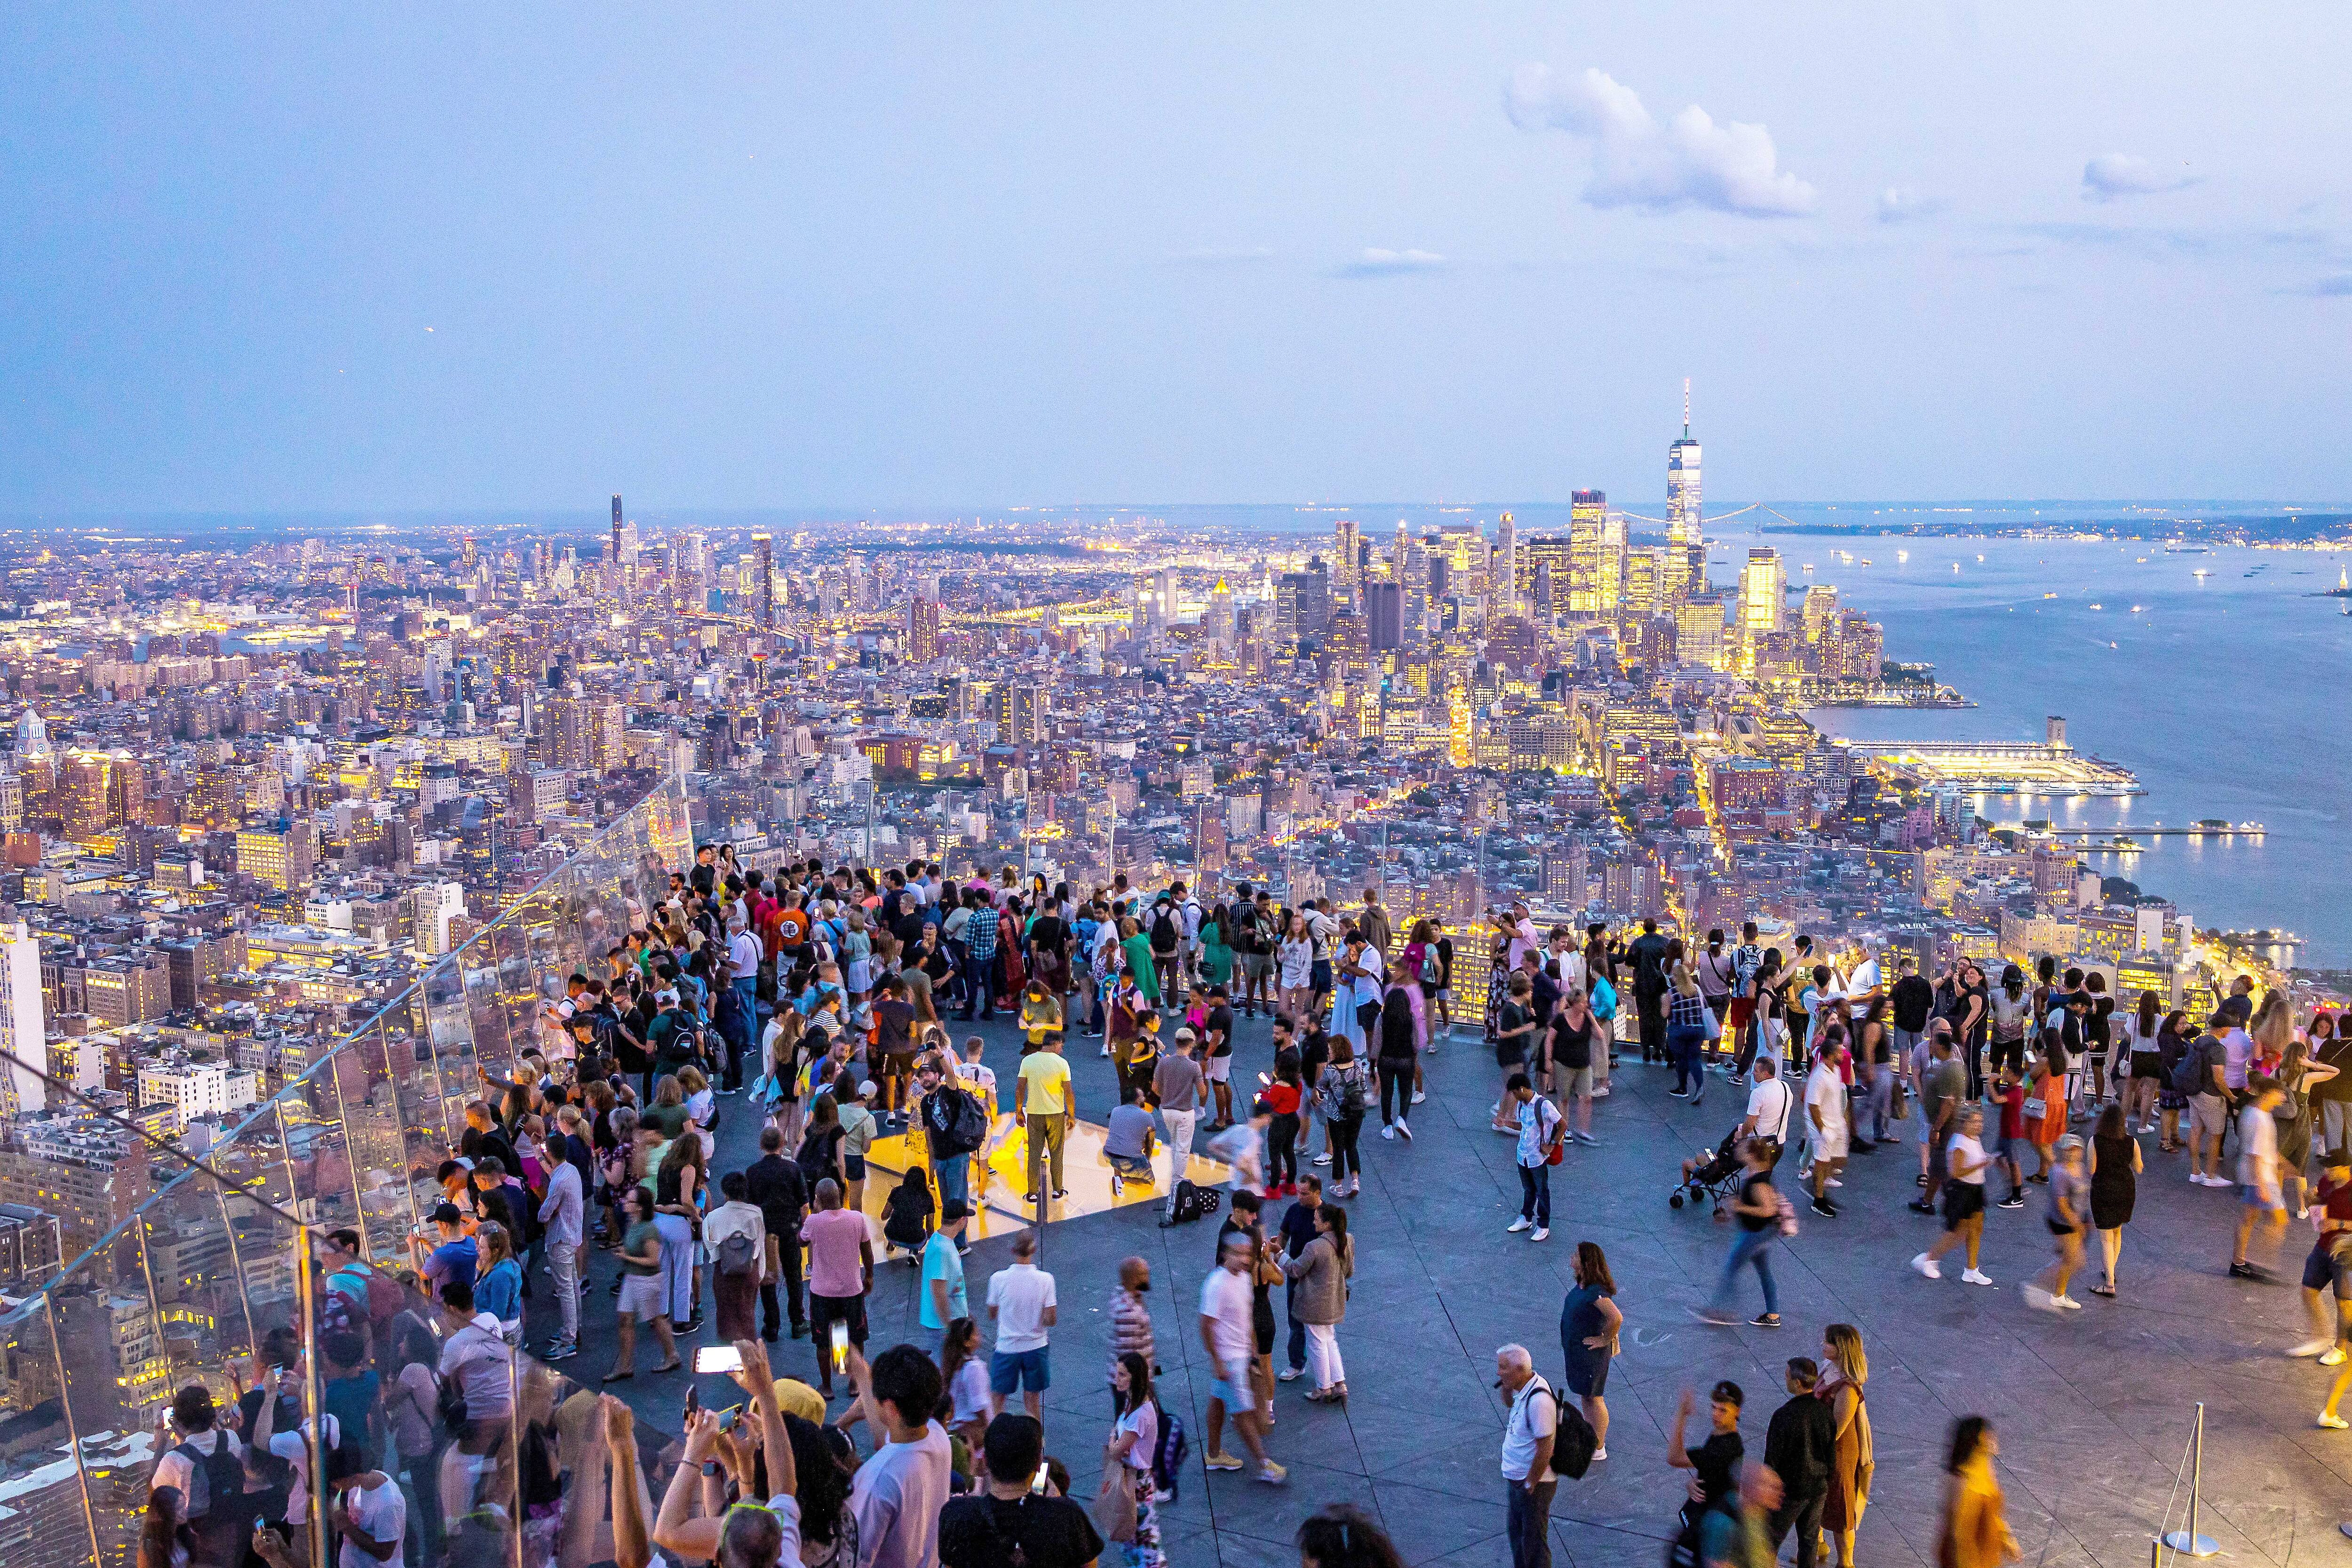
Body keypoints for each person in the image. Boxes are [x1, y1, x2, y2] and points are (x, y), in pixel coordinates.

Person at [938, 1413, 1105, 1568]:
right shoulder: (1066, 1515)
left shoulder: (956, 1516)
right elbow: (1089, 1564)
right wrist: (1056, 1505)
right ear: (1038, 1464)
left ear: (987, 1461)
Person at [845, 1345, 954, 1568]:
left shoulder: (877, 1479)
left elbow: (856, 1559)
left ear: (891, 1407)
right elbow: (887, 1437)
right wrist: (864, 1376)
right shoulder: (939, 1436)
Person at [1200, 1231, 1284, 1484]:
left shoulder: (1246, 1279)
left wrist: (1255, 1354)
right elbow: (1206, 1325)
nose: (1244, 1259)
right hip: (1229, 1361)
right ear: (1226, 1254)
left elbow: (1247, 1320)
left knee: (1218, 1401)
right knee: (1243, 1414)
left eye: (1247, 1254)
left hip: (1241, 1356)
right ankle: (1264, 1464)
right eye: (1237, 1253)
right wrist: (1217, 1362)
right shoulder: (1216, 1284)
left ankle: (1214, 1455)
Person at [800, 1177, 872, 1400]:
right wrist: (869, 1276)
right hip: (852, 1289)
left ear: (818, 1200)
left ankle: (827, 1386)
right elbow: (867, 1252)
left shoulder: (814, 1222)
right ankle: (854, 1383)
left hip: (822, 1292)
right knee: (857, 1335)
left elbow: (802, 1241)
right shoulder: (857, 1219)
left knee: (822, 1340)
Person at [1762, 1358, 1835, 1568]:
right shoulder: (1825, 1411)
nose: (1786, 1380)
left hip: (1791, 1490)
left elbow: (1772, 1460)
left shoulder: (1784, 1415)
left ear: (1797, 1383)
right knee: (1809, 1541)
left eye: (1787, 1376)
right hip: (1818, 1487)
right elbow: (1831, 1455)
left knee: (1770, 1540)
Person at [1914, 1105, 1995, 1285]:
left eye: (1980, 1121)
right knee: (1957, 1233)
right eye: (1975, 1121)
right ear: (1964, 1123)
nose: (1979, 1125)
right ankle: (1928, 1259)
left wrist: (1987, 1159)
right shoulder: (1959, 1143)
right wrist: (1982, 1164)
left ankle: (1972, 1270)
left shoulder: (1974, 1138)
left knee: (1976, 1229)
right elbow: (1956, 1172)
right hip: (1961, 1191)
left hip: (1976, 1189)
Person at [1282, 1203, 1354, 1402]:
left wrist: (1279, 1256)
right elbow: (1349, 1272)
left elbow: (1295, 1270)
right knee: (1330, 1340)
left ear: (1327, 1223)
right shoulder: (1347, 1240)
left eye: (1317, 1219)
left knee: (1317, 1344)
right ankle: (1339, 1384)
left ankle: (1324, 1387)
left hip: (1314, 1305)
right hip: (1335, 1301)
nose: (1314, 1221)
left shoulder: (1314, 1247)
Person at [605, 1185, 678, 1381]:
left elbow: (653, 1260)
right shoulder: (633, 1224)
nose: (625, 1203)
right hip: (632, 1278)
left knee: (656, 1319)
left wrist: (627, 1257)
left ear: (639, 1207)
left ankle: (672, 1355)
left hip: (647, 1281)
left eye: (629, 1201)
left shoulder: (649, 1230)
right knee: (625, 1318)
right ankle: (625, 1366)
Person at [1558, 1241, 1622, 1462]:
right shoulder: (1583, 1285)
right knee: (1587, 1397)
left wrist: (1604, 1339)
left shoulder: (1595, 1292)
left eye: (1576, 1254)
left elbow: (1616, 1317)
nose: (1572, 1256)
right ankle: (1592, 1437)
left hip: (1590, 1356)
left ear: (1586, 1262)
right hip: (1577, 1352)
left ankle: (1598, 1446)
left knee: (1594, 1398)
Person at [1495, 1344, 1557, 1568]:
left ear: (1520, 1370)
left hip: (1533, 1484)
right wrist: (1506, 1391)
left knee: (1533, 1544)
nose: (1498, 1373)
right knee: (1519, 1536)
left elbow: (1546, 1447)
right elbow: (1513, 1407)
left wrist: (1531, 1481)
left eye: (1504, 1368)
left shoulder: (1540, 1401)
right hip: (1520, 1480)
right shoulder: (1524, 1388)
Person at [745, 1123, 810, 1341]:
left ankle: (772, 1325)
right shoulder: (793, 1170)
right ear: (782, 1145)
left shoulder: (753, 1172)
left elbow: (750, 1205)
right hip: (790, 1228)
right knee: (794, 1276)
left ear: (761, 1145)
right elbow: (803, 1204)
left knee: (768, 1276)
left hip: (765, 1230)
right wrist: (804, 1227)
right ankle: (798, 1321)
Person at [985, 1230, 1057, 1423]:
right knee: (1033, 1402)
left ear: (1012, 1250)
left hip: (1007, 1347)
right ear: (1033, 1250)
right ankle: (1036, 1445)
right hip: (1037, 1347)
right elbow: (1051, 1319)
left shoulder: (998, 1279)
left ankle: (996, 1442)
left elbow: (992, 1314)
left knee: (998, 1399)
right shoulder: (1046, 1280)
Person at [1107, 1352, 1165, 1568]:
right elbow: (1119, 1433)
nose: (1117, 1379)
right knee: (1134, 1536)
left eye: (1122, 1375)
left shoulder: (1140, 1413)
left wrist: (1113, 1440)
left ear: (1134, 1377)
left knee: (1144, 1535)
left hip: (1137, 1480)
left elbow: (1115, 1450)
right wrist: (1117, 1439)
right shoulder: (1133, 1400)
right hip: (1134, 1476)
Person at [2231, 1074, 2290, 1280]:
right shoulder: (2259, 1119)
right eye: (2278, 1094)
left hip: (2255, 1176)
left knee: (2248, 1219)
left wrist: (2282, 1162)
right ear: (2268, 1094)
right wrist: (2262, 1186)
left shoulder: (2253, 1112)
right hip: (2261, 1178)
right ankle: (2261, 1260)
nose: (2282, 1099)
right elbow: (2255, 1154)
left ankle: (2239, 1261)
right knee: (2279, 1220)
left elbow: (2261, 1148)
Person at [1937, 1417, 2018, 1568]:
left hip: (1984, 1556)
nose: (1994, 1438)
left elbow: (1994, 1513)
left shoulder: (1985, 1468)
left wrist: (2006, 1540)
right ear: (1977, 1442)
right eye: (1988, 1435)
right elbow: (1959, 1535)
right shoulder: (1961, 1481)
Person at [1667, 1382, 1746, 1525]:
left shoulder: (1725, 1448)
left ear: (1737, 1412)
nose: (1716, 1414)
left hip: (1709, 1523)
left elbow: (1674, 1458)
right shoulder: (1723, 1435)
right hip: (1710, 1514)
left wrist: (1682, 1413)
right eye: (1714, 1407)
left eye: (1723, 1410)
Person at [705, 1169, 770, 1343]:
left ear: (725, 1192)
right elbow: (760, 1245)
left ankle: (728, 1358)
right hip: (749, 1270)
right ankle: (749, 1359)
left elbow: (710, 1247)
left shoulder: (713, 1217)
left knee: (725, 1316)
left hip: (724, 1271)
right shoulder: (756, 1214)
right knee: (747, 1314)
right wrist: (760, 1274)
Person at [1505, 1073, 1564, 1242]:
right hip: (1522, 1155)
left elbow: (1562, 1125)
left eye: (1515, 1093)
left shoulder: (1544, 1105)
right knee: (1528, 1189)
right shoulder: (1521, 1106)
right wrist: (1506, 1123)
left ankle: (1543, 1225)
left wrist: (1551, 1145)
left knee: (1542, 1191)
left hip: (1537, 1157)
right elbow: (1522, 1126)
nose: (1515, 1097)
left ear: (1522, 1089)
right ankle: (1526, 1218)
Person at [1016, 1032, 1073, 1209]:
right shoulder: (1062, 1064)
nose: (1062, 1049)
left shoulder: (1028, 1061)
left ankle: (1032, 1193)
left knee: (1034, 1154)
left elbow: (1020, 1089)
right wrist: (1071, 1115)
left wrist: (1019, 1111)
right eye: (1061, 1046)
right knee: (1057, 1153)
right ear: (1055, 1044)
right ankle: (1058, 1191)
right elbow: (1069, 1093)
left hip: (1034, 1114)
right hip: (1056, 1113)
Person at [1152, 1027, 1203, 1218]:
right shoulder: (1194, 1067)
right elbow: (1203, 1093)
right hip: (1185, 1112)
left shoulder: (1164, 1063)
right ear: (1192, 1044)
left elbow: (1155, 1088)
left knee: (1174, 1145)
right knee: (1182, 1149)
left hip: (1166, 1110)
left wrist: (1168, 1096)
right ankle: (1177, 1187)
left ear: (1176, 1042)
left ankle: (1175, 1180)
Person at [1804, 1037, 1851, 1218]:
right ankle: (1818, 1199)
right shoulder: (1820, 1076)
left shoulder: (1836, 1070)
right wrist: (1823, 1131)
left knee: (1839, 1160)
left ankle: (1818, 1182)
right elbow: (1813, 1107)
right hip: (1822, 1126)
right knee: (1822, 1163)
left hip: (1835, 1123)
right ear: (1831, 1055)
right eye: (1840, 1051)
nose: (1843, 1054)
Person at [1318, 1038, 1370, 1199]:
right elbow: (1364, 1088)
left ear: (1337, 1051)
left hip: (1336, 1115)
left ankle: (1338, 1185)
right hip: (1357, 1113)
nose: (1328, 1053)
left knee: (1339, 1148)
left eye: (1330, 1050)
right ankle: (1355, 1181)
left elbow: (1321, 1088)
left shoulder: (1330, 1071)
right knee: (1352, 1145)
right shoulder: (1357, 1068)